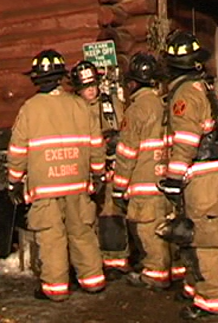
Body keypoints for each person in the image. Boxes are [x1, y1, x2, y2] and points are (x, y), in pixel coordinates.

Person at [6, 49, 106, 302]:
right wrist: (98, 175)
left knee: (51, 237)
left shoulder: (29, 109)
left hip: (45, 187)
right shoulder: (81, 106)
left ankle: (56, 288)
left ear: (36, 78)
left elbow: (17, 151)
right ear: (62, 76)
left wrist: (14, 182)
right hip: (78, 183)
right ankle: (93, 280)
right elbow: (96, 145)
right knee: (82, 232)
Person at [157, 31, 218, 320]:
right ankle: (195, 286)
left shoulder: (186, 94)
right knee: (194, 233)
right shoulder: (205, 86)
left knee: (205, 240)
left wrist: (174, 179)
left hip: (203, 176)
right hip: (214, 173)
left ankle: (212, 301)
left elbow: (187, 140)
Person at [112, 52, 186, 291]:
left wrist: (118, 187)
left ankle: (155, 274)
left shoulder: (135, 111)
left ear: (132, 83)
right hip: (167, 180)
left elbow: (126, 153)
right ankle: (177, 270)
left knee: (148, 229)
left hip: (144, 184)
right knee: (169, 226)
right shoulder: (166, 105)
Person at [70, 60, 130, 280]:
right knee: (85, 216)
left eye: (93, 84)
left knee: (110, 212)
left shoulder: (110, 103)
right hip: (82, 168)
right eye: (86, 87)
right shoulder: (73, 108)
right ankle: (90, 261)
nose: (91, 90)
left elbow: (123, 127)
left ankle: (115, 260)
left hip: (110, 165)